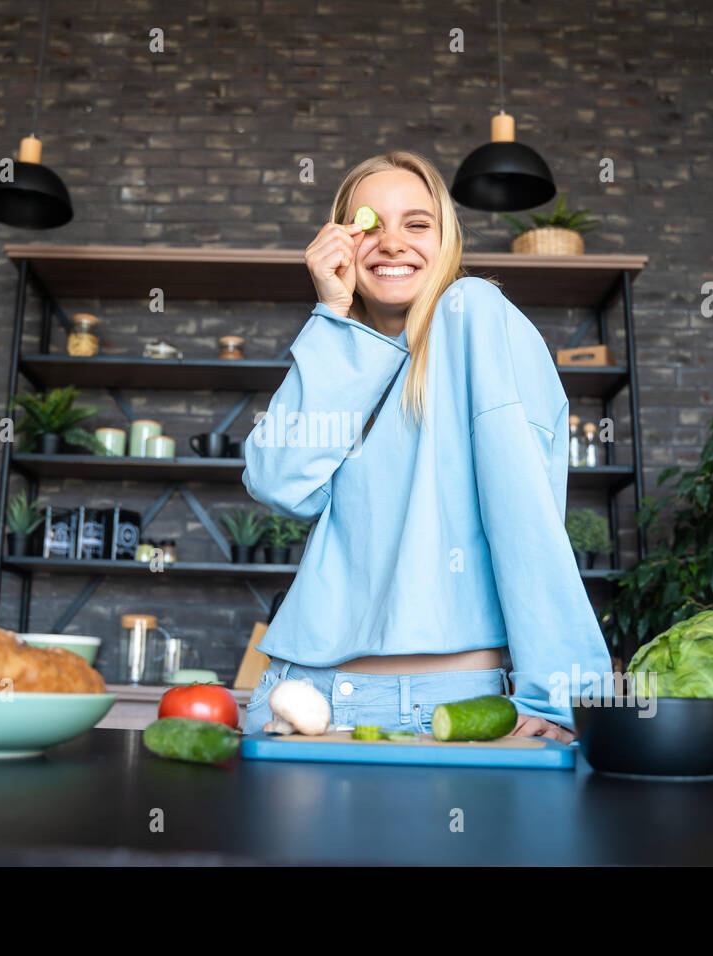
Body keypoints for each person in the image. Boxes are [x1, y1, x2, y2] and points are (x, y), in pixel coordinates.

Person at [241, 150, 611, 742]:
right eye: (369, 225)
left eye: (416, 224)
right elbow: (280, 484)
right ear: (340, 242)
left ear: (446, 240)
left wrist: (564, 696)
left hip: (442, 709)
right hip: (296, 698)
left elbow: (526, 515)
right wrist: (334, 316)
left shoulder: (474, 313)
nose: (392, 243)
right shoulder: (338, 348)